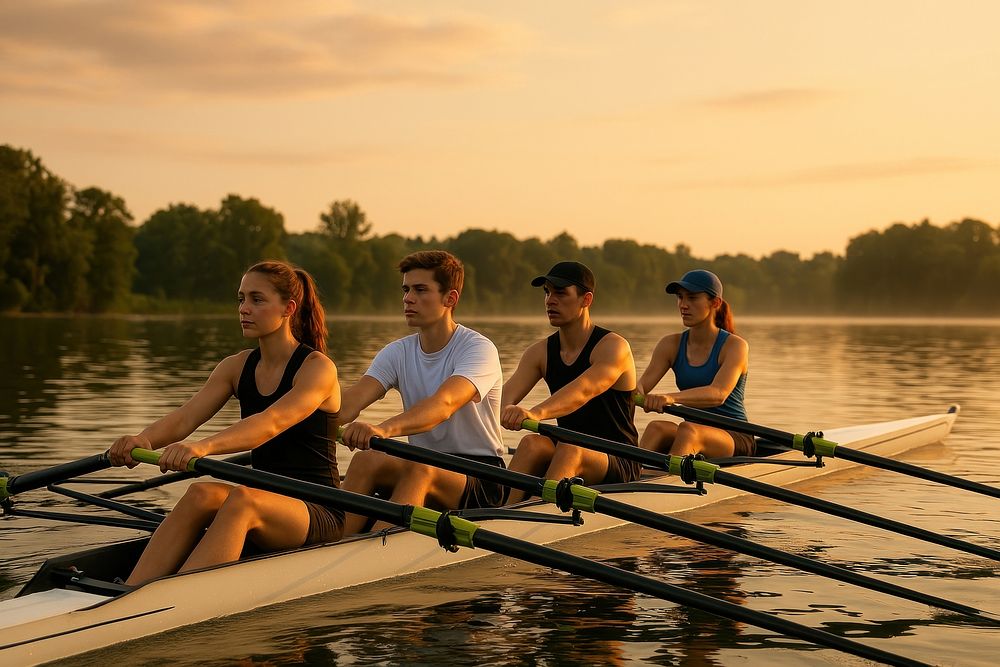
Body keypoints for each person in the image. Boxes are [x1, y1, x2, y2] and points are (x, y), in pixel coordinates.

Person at [108, 261, 342, 586]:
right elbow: (186, 417)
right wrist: (143, 439)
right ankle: (130, 590)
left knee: (242, 501)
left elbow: (270, 423)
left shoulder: (317, 368)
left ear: (288, 308)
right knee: (200, 493)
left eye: (257, 299)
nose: (244, 308)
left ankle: (179, 598)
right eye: (241, 298)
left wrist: (202, 448)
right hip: (263, 499)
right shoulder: (236, 366)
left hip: (317, 509)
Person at [337, 250, 505, 536]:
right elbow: (349, 403)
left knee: (420, 470)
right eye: (406, 290)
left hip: (481, 476)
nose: (408, 298)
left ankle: (374, 549)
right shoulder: (397, 352)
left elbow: (443, 405)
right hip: (424, 463)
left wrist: (382, 429)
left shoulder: (478, 349)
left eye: (420, 290)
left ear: (450, 299)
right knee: (366, 459)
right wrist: (296, 413)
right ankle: (334, 541)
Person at [501, 261, 640, 504]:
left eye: (560, 293)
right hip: (569, 449)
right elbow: (499, 401)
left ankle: (534, 513)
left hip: (618, 459)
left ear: (586, 299)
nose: (550, 301)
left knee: (569, 449)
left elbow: (583, 391)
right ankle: (503, 510)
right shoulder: (539, 352)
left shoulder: (614, 347)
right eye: (547, 292)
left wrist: (535, 413)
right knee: (532, 443)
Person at [636, 269, 752, 458]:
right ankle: (634, 473)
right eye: (680, 297)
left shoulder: (735, 346)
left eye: (692, 298)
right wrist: (636, 392)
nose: (683, 305)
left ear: (715, 303)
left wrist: (670, 398)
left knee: (689, 430)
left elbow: (718, 394)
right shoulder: (670, 344)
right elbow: (641, 385)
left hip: (735, 436)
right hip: (692, 431)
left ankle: (667, 475)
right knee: (656, 427)